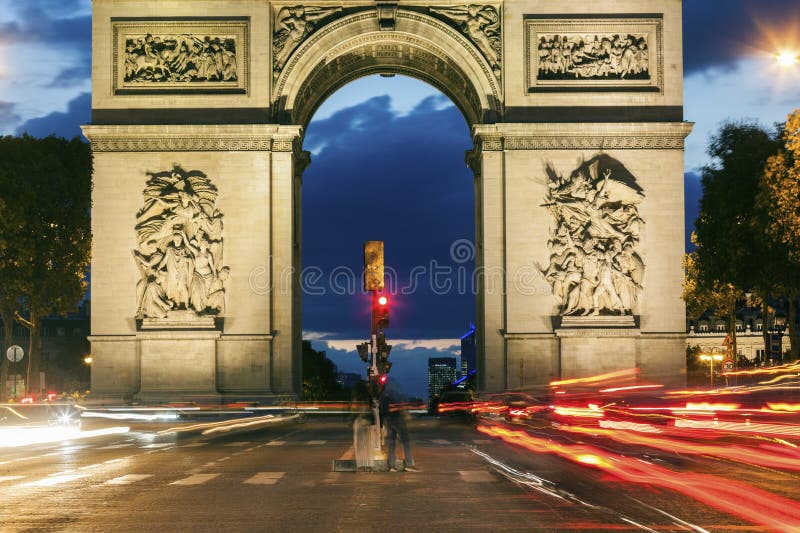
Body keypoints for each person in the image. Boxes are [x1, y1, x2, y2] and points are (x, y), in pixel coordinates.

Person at [379, 378, 419, 472]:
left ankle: (392, 466)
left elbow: (382, 409)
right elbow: (401, 404)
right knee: (405, 442)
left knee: (391, 443)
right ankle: (408, 464)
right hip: (398, 419)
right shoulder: (395, 394)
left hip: (388, 420)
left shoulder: (383, 395)